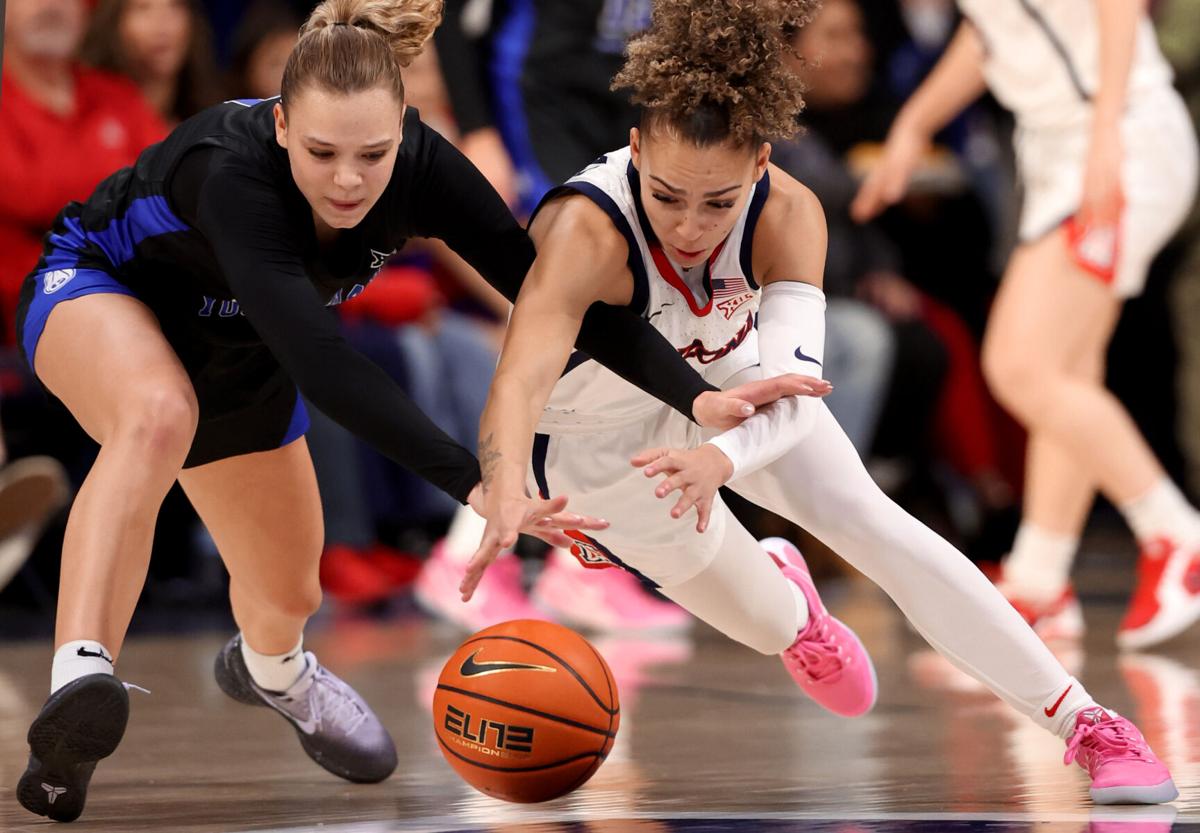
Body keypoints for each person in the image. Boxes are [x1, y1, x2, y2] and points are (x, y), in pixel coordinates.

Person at [11, 0, 822, 821]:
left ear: (406, 124)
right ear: (283, 124)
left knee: (290, 591)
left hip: (240, 353)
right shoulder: (230, 171)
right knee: (157, 413)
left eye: (373, 153)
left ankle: (276, 670)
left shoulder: (426, 170)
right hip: (98, 291)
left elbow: (550, 298)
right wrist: (478, 484)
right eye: (322, 152)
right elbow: (324, 365)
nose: (348, 179)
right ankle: (80, 677)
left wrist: (695, 392)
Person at [467, 0, 1177, 805]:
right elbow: (517, 380)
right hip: (602, 445)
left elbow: (794, 395)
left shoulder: (791, 212)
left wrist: (719, 457)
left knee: (877, 525)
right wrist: (504, 487)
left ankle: (1087, 724)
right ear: (633, 148)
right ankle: (792, 610)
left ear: (762, 163)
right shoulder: (584, 229)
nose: (690, 226)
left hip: (735, 395)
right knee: (766, 626)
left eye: (718, 201)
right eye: (666, 197)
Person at [852, 0, 1200, 648]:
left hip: (1116, 138)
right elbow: (990, 32)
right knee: (1066, 376)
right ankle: (1039, 582)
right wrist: (913, 125)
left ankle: (1177, 533)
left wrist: (1105, 138)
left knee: (1020, 366)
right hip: (1059, 150)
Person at [81, 0, 225, 125]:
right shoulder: (90, 114)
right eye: (143, 7)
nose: (162, 26)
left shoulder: (215, 115)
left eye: (175, 5)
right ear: (114, 22)